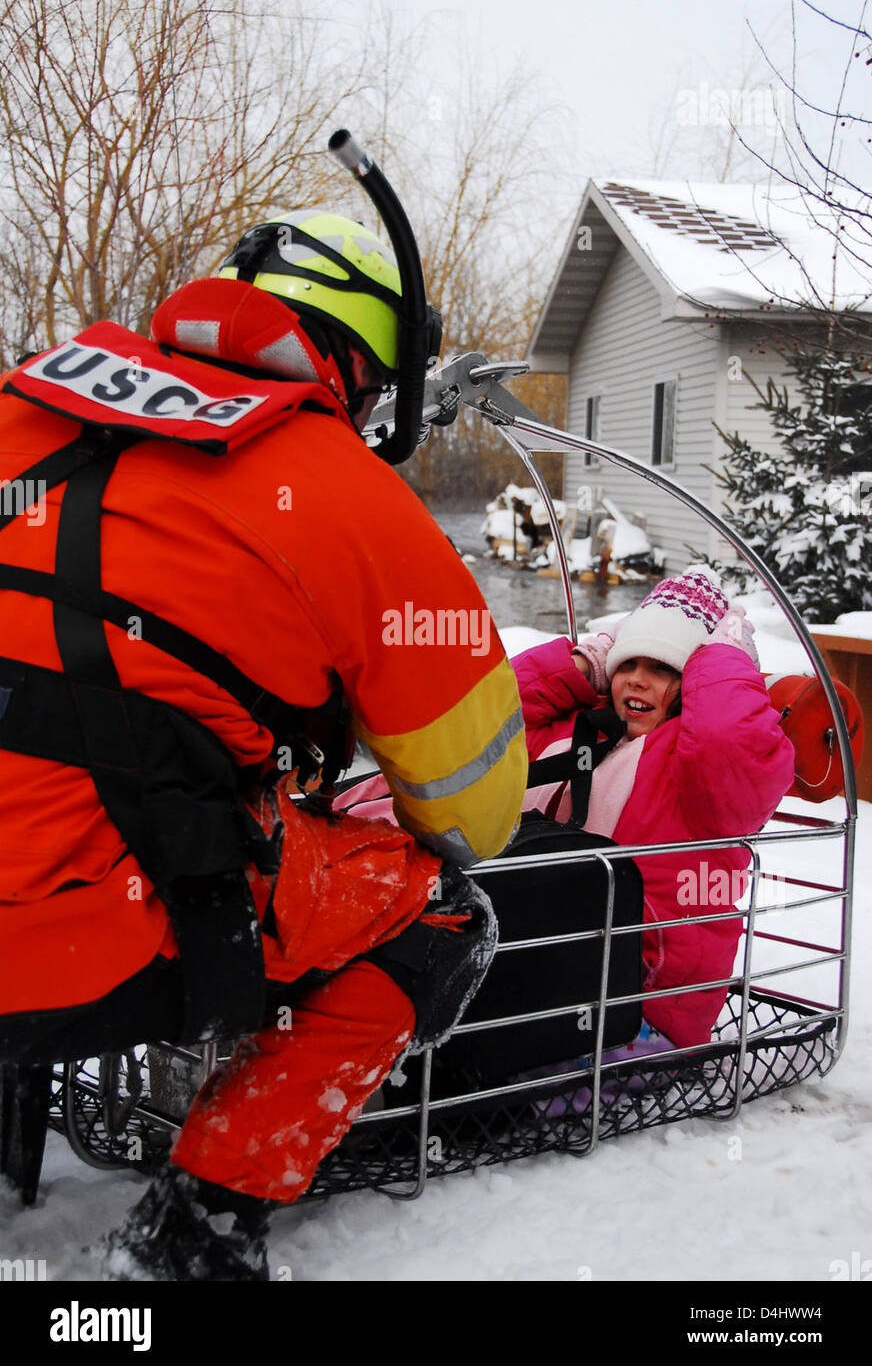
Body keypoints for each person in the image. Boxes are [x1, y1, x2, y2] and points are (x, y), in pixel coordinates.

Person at [0, 209, 527, 1279]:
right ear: (364, 367)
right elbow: (477, 808)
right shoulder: (345, 488)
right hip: (79, 926)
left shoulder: (24, 396)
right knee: (437, 910)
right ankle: (195, 1230)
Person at [511, 566, 796, 1052]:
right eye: (627, 665)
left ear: (693, 683)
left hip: (644, 1006)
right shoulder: (581, 731)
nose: (638, 682)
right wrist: (586, 662)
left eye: (662, 669)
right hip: (546, 970)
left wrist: (723, 653)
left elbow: (727, 737)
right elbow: (488, 712)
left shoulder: (696, 766)